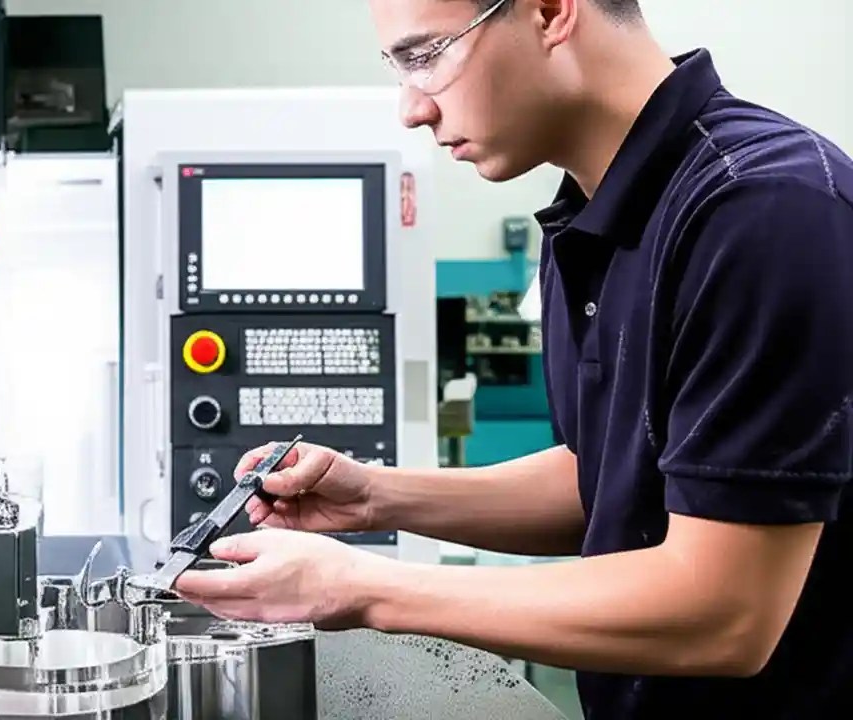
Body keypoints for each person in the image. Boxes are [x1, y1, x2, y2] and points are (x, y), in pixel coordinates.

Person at [172, 0, 853, 717]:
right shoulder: (596, 222)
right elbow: (607, 478)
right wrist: (373, 495)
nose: (411, 109)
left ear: (551, 11)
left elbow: (725, 612)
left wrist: (363, 587)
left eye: (426, 54)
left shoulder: (762, 209)